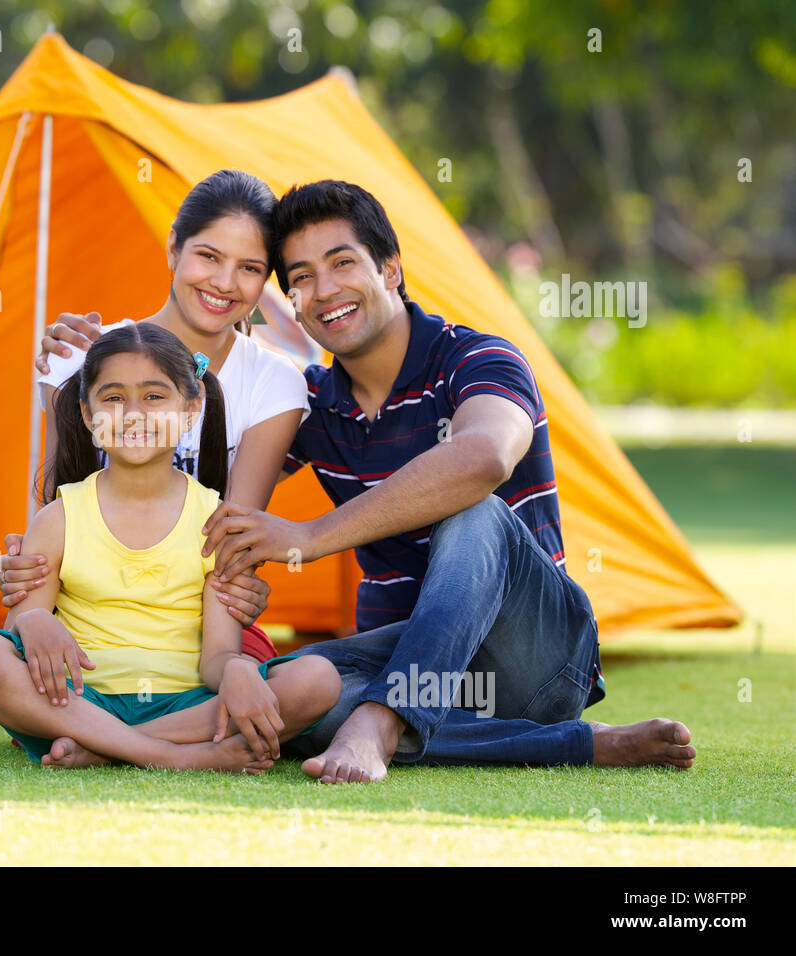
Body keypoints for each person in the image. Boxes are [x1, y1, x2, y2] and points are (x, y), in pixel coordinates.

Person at [197, 180, 696, 782]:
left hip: (532, 656)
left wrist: (307, 537)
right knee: (284, 693)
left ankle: (380, 722)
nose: (324, 290)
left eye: (342, 262)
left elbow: (483, 457)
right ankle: (575, 745)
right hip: (406, 660)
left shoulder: (478, 359)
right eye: (300, 278)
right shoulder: (312, 405)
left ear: (390, 269)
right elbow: (197, 479)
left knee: (473, 509)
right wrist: (107, 361)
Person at [0, 322, 340, 772]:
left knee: (317, 680)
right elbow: (20, 627)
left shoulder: (218, 523)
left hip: (185, 707)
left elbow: (217, 658)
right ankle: (171, 756)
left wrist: (236, 669)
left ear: (191, 409)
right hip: (78, 700)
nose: (133, 414)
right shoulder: (58, 517)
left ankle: (105, 748)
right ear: (89, 414)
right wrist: (34, 621)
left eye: (154, 396)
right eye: (113, 398)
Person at [0, 168, 310, 662]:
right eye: (208, 256)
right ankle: (145, 736)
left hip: (197, 610)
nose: (224, 283)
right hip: (82, 605)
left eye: (249, 268)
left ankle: (102, 737)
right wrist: (25, 562)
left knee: (276, 687)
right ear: (173, 248)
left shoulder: (276, 382)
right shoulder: (78, 356)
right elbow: (54, 501)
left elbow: (231, 544)